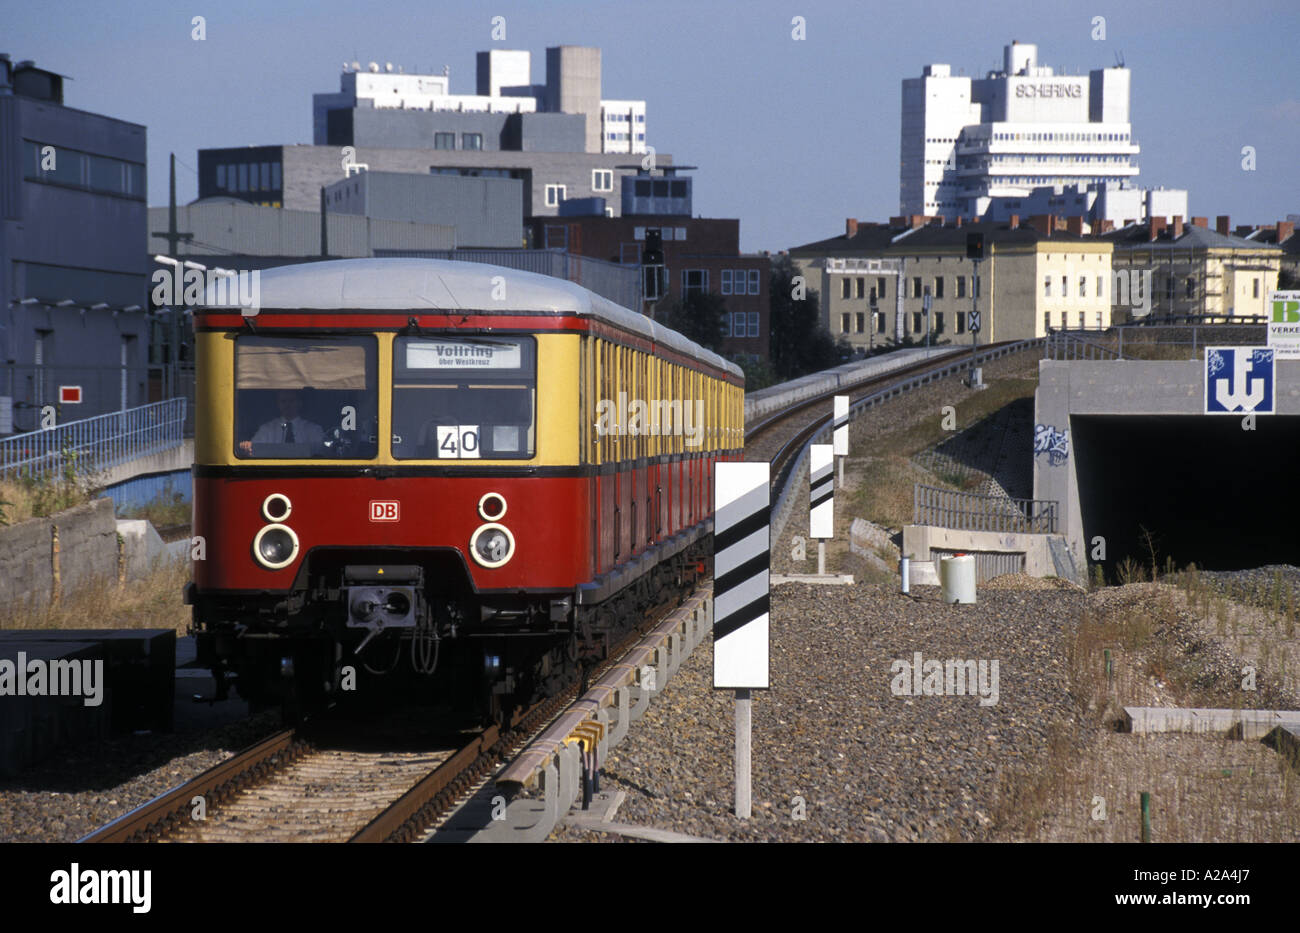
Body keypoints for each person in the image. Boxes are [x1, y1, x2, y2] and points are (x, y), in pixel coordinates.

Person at [239, 389, 324, 454]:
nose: (287, 405)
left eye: (291, 401)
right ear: (278, 404)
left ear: (299, 403)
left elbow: (322, 451)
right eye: (283, 401)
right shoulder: (267, 429)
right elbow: (254, 449)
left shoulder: (313, 430)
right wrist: (248, 446)